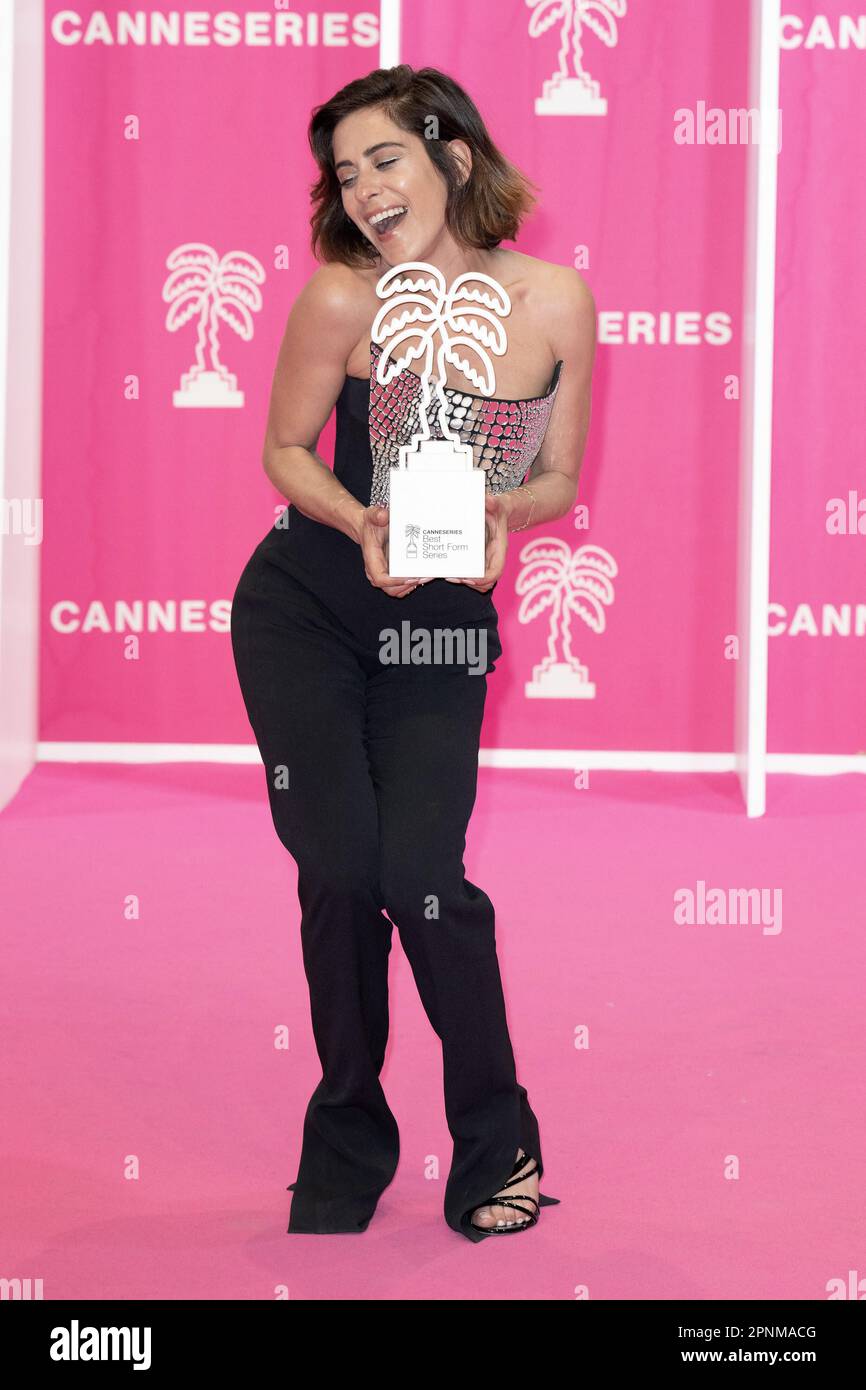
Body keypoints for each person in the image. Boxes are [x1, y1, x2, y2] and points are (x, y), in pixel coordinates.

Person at [230, 64, 595, 1241]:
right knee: (338, 872)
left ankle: (499, 1140)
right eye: (345, 171)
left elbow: (554, 478)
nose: (365, 187)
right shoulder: (340, 299)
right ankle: (345, 1136)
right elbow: (287, 451)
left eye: (385, 157)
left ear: (451, 152)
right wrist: (358, 521)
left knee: (423, 881)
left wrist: (506, 519)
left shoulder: (552, 303)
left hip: (439, 624)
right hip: (310, 609)